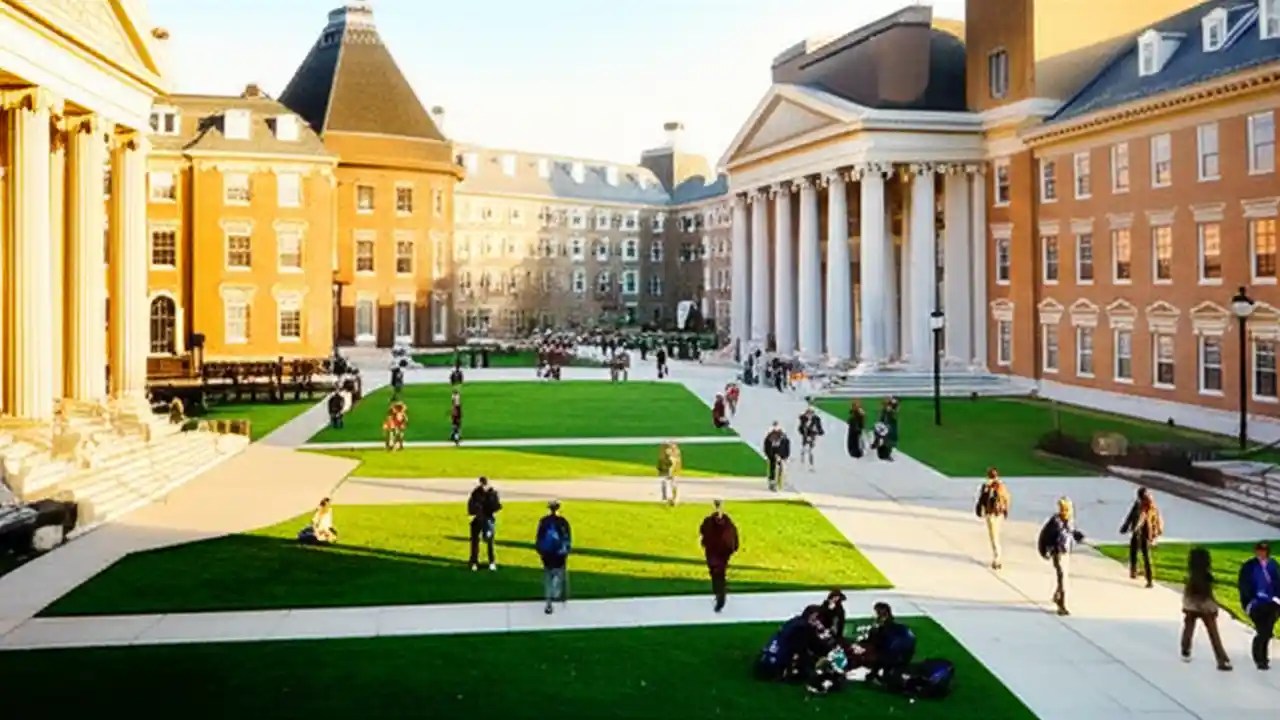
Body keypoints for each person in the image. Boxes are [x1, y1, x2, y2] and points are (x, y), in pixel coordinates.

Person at [1182, 547, 1233, 671]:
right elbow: (1207, 596)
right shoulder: (1206, 577)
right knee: (1213, 633)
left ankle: (1185, 649)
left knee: (1189, 628)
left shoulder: (1192, 576)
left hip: (1191, 606)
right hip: (1205, 608)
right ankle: (1221, 658)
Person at [1038, 497, 1085, 616]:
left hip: (1066, 552)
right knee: (1063, 578)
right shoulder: (1055, 522)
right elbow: (1044, 537)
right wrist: (1044, 551)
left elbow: (1071, 531)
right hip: (1057, 553)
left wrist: (1077, 535)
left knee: (1062, 577)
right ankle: (1061, 604)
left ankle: (1057, 595)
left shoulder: (1068, 521)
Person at [1237, 541, 1280, 670]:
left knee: (1267, 631)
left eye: (1264, 551)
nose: (1261, 553)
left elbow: (1278, 582)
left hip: (1272, 602)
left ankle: (1264, 657)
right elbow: (1244, 585)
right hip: (1256, 603)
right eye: (1259, 550)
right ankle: (1259, 658)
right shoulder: (1249, 566)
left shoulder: (1273, 565)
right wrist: (1250, 601)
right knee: (1262, 630)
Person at [846, 602, 916, 681]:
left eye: (875, 613)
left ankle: (873, 673)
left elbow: (875, 644)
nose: (873, 616)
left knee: (869, 653)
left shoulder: (883, 629)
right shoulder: (895, 627)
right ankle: (878, 673)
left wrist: (861, 642)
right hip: (903, 656)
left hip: (891, 656)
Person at [700, 499, 739, 612]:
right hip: (719, 551)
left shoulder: (716, 523)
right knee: (717, 572)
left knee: (717, 572)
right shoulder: (724, 523)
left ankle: (720, 596)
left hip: (718, 551)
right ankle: (719, 594)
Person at [1119, 488, 1164, 588]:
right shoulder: (1150, 504)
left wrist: (1132, 528)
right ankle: (1140, 574)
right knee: (1139, 553)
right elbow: (1132, 515)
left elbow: (1141, 518)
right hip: (1146, 534)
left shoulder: (1146, 505)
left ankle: (1145, 577)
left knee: (1141, 553)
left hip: (1143, 533)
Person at [536, 500, 573, 614]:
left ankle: (548, 604)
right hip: (559, 554)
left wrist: (541, 552)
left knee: (548, 577)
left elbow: (538, 538)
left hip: (547, 554)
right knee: (560, 574)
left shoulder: (544, 521)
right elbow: (568, 539)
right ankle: (558, 593)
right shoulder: (563, 522)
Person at [975, 468, 1011, 570]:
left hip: (992, 513)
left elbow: (982, 500)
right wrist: (1005, 510)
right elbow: (1007, 498)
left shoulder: (992, 487)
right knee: (995, 535)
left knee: (994, 536)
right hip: (997, 513)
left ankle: (997, 558)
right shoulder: (1000, 486)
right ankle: (997, 555)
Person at [467, 477, 502, 571]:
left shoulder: (492, 493)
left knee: (489, 541)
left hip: (488, 519)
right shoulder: (476, 493)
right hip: (478, 519)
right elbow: (471, 505)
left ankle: (491, 561)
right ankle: (474, 561)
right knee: (474, 541)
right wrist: (475, 511)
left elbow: (497, 506)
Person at [763, 422, 791, 492]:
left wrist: (784, 457)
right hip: (772, 454)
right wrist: (770, 456)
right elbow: (767, 448)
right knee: (772, 467)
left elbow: (786, 448)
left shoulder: (784, 439)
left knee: (781, 467)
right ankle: (772, 481)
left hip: (780, 454)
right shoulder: (769, 438)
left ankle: (779, 480)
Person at [797, 406, 824, 472]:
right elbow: (800, 427)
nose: (809, 414)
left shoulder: (816, 419)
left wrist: (820, 432)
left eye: (811, 413)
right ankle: (802, 460)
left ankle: (811, 465)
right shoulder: (803, 418)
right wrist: (802, 432)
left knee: (810, 450)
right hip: (805, 435)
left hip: (813, 435)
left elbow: (819, 427)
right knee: (804, 448)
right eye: (808, 413)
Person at [657, 441, 682, 506]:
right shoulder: (668, 456)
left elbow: (675, 465)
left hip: (672, 471)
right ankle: (668, 499)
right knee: (666, 484)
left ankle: (672, 499)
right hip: (669, 471)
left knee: (671, 484)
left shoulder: (674, 456)